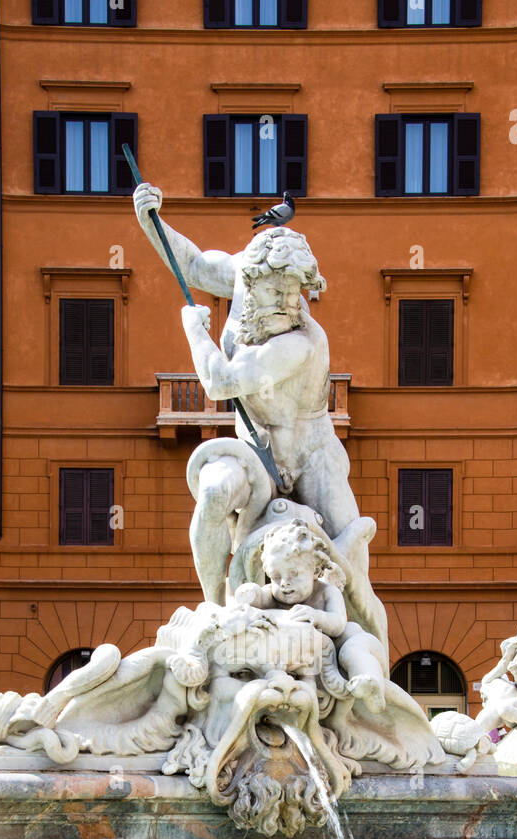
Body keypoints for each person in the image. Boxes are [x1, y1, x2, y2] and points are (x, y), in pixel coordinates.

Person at [132, 183, 388, 650]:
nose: (291, 304)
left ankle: (372, 651)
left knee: (351, 570)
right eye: (279, 292)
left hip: (312, 455)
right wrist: (150, 219)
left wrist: (194, 331)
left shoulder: (300, 341)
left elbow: (221, 383)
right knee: (212, 494)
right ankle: (215, 608)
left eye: (297, 294)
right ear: (250, 282)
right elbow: (188, 263)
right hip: (254, 452)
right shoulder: (239, 274)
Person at [232, 521, 388, 712]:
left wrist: (317, 616)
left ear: (315, 570)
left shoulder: (327, 592)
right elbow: (258, 599)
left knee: (353, 652)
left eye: (294, 574)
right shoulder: (273, 594)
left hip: (345, 642)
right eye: (275, 576)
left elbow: (338, 624)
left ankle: (370, 685)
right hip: (307, 659)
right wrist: (250, 593)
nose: (284, 584)